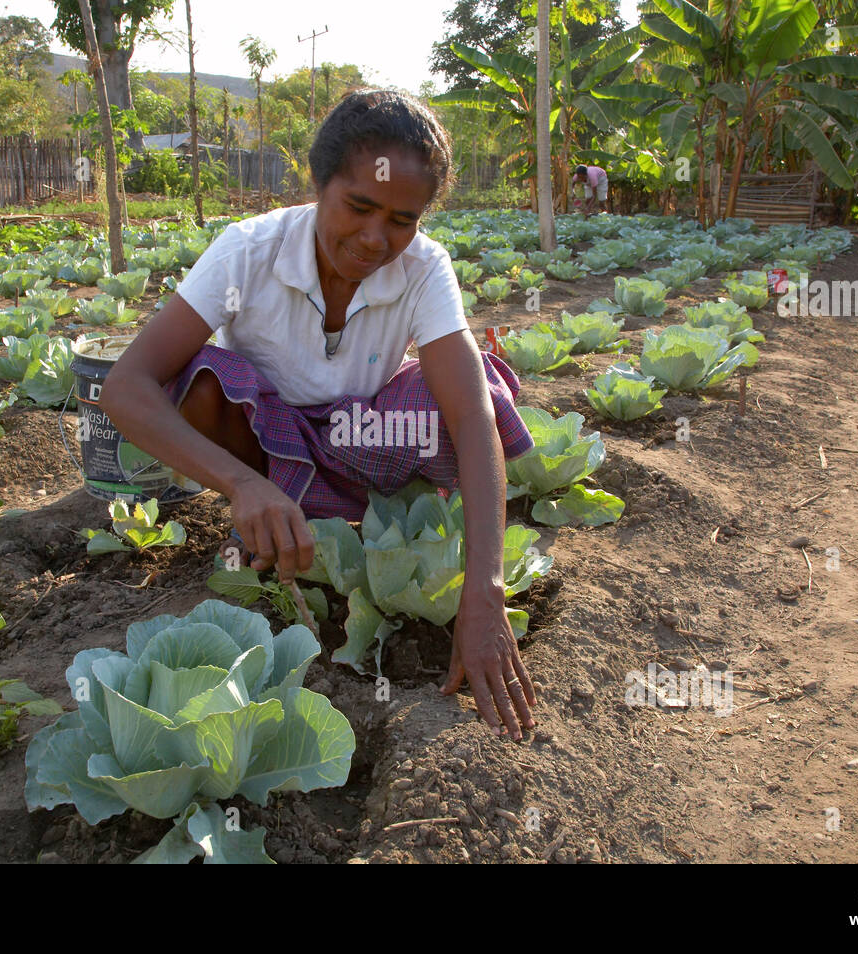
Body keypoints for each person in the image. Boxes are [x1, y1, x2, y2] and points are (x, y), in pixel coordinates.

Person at [99, 89, 539, 740]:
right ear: (319, 184)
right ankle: (273, 514)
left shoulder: (424, 268)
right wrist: (243, 484)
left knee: (477, 392)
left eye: (401, 220)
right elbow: (125, 385)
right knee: (203, 385)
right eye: (358, 206)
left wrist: (484, 593)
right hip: (264, 441)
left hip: (365, 437)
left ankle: (374, 519)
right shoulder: (247, 251)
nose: (374, 237)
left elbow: (472, 420)